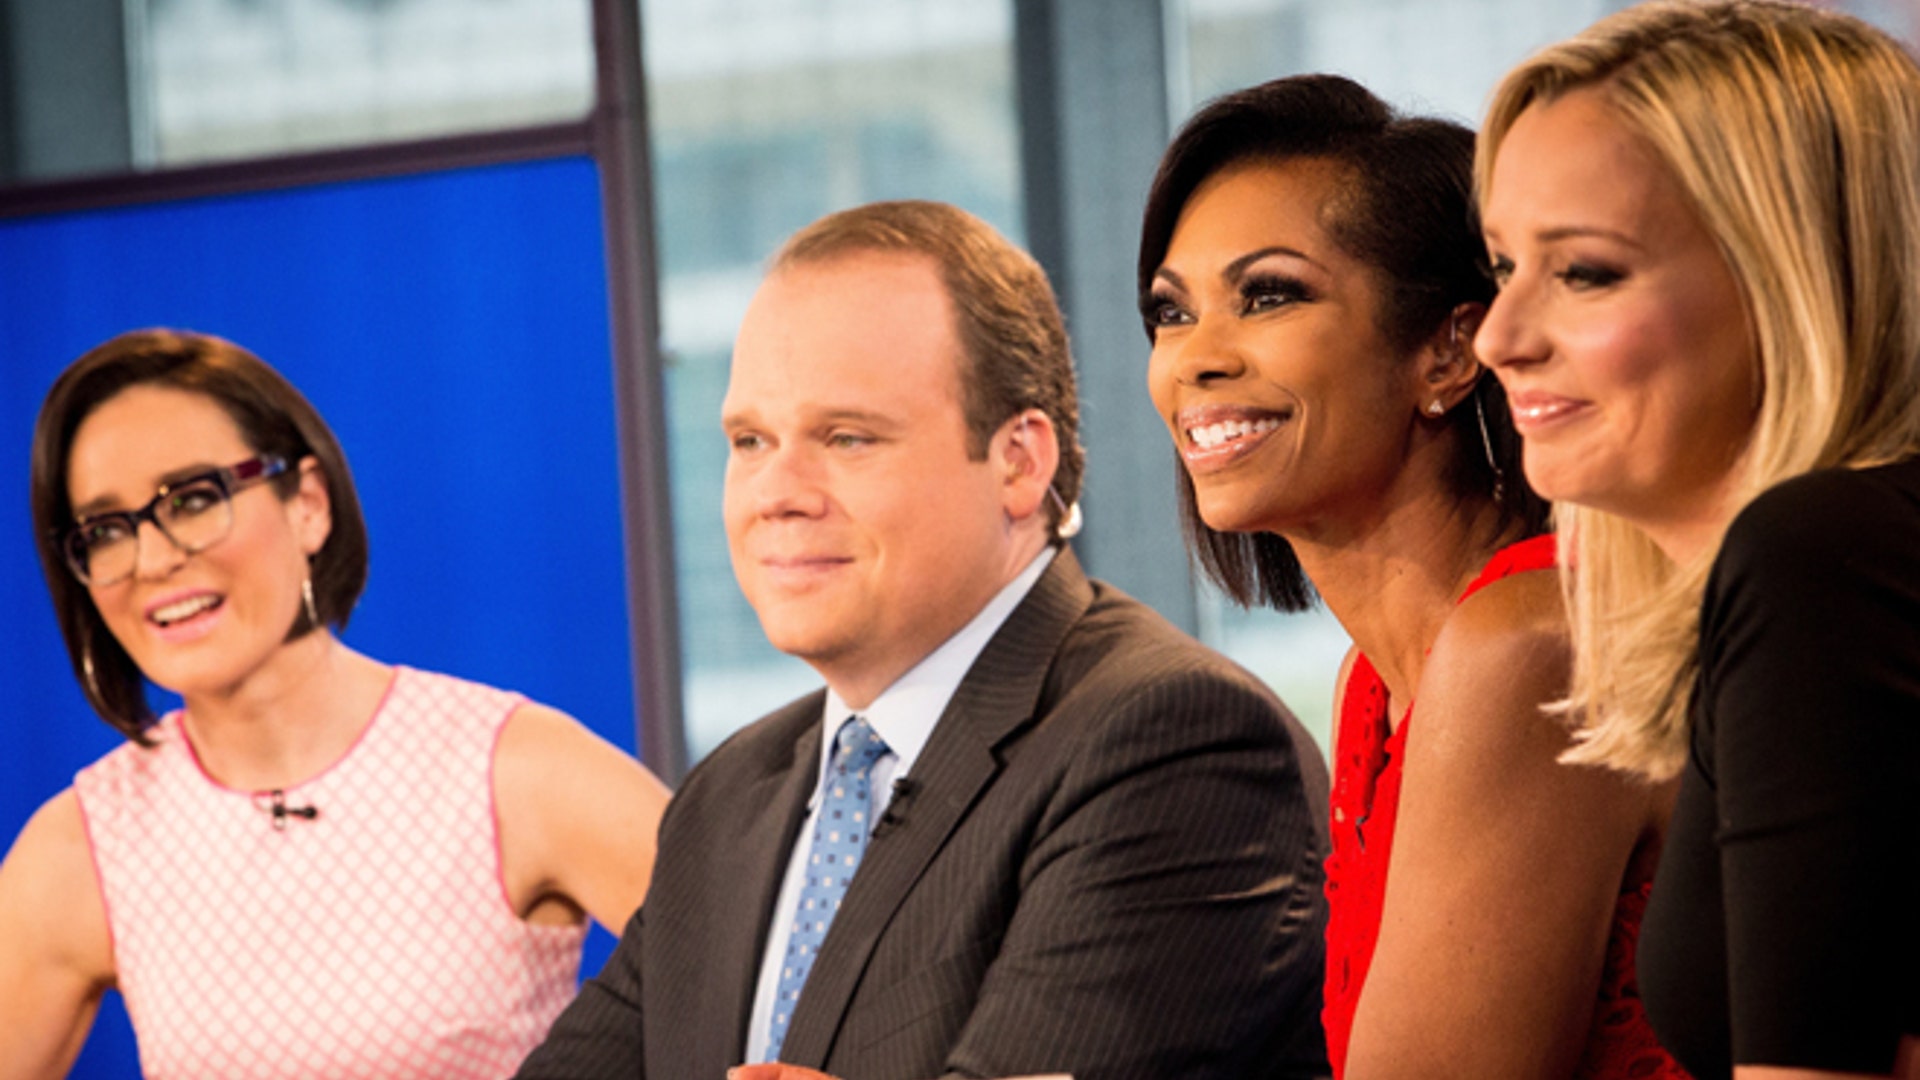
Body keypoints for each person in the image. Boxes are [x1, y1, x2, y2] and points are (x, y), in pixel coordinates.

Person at [515, 199, 1331, 1080]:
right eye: (750, 441)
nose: (775, 492)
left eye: (847, 437)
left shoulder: (1172, 741)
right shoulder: (727, 798)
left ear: (1020, 461)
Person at [1137, 74, 1688, 1079]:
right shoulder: (1374, 686)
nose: (1195, 360)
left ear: (1449, 349)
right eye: (1171, 314)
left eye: (1268, 295)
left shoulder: (1527, 642)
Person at [0, 329, 672, 1079]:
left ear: (308, 505)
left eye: (192, 500)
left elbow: (774, 990)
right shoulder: (85, 843)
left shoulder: (513, 767)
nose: (153, 559)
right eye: (105, 530)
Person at [1475, 2, 1920, 1077]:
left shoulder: (1821, 559)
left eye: (1584, 272)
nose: (1500, 337)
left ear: (1788, 276)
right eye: (1501, 266)